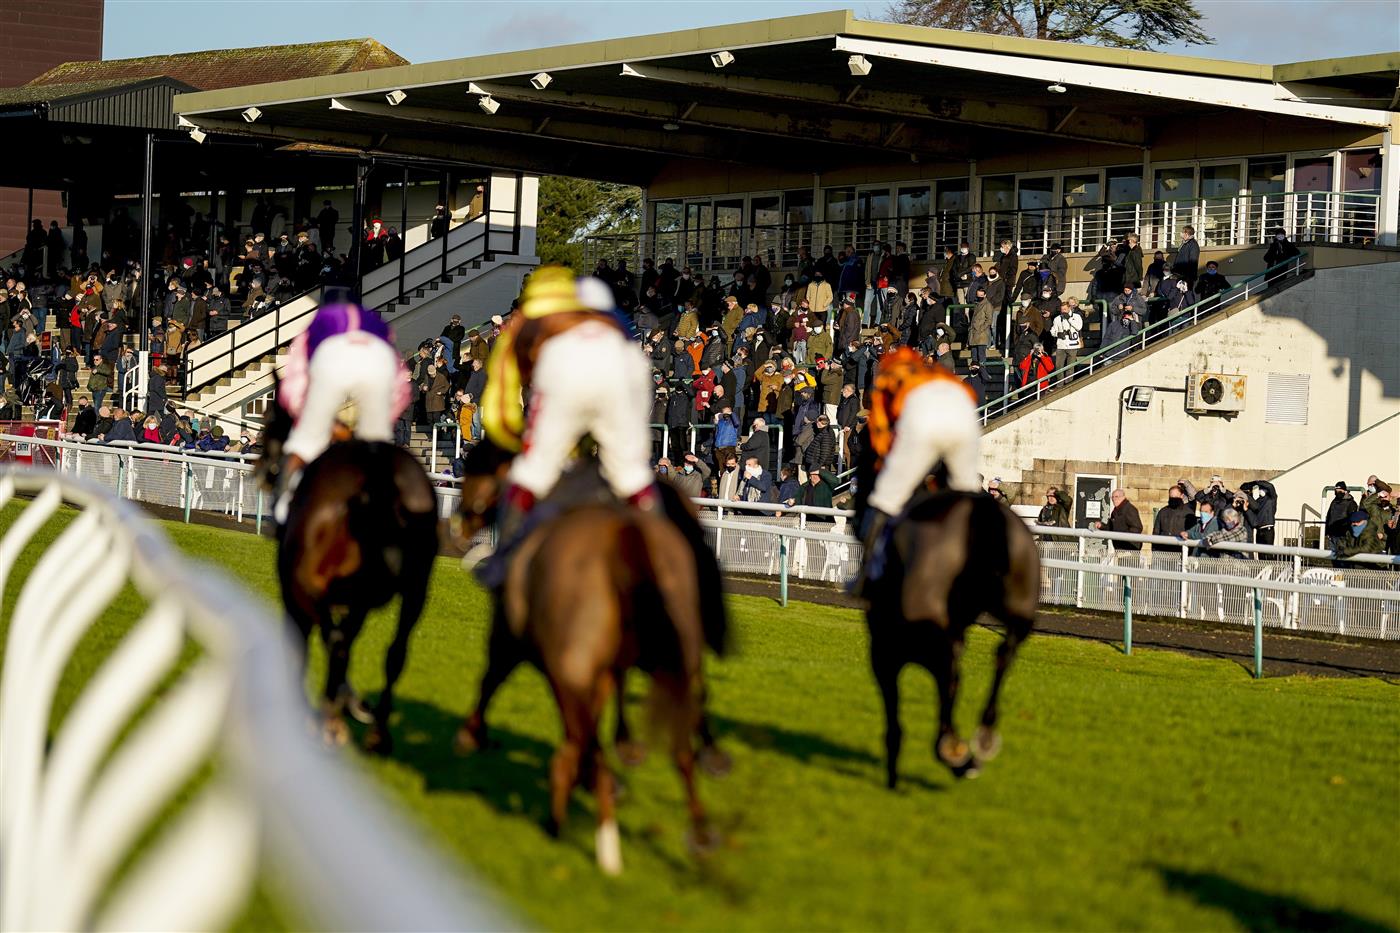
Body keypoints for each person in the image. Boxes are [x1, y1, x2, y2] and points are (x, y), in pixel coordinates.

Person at [475, 267, 659, 574]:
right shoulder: (621, 329)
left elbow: (519, 390)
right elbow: (640, 398)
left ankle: (503, 558)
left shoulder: (551, 328)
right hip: (622, 368)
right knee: (632, 476)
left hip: (563, 369)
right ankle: (656, 555)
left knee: (532, 472)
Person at [274, 302, 411, 522]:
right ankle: (384, 510)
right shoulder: (378, 324)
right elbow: (401, 389)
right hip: (379, 359)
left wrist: (307, 419)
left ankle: (285, 506)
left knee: (306, 439)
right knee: (376, 445)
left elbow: (294, 386)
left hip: (333, 357)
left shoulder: (315, 326)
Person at [855, 347, 981, 584]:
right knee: (968, 495)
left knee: (885, 498)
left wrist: (887, 464)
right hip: (964, 413)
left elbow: (880, 435)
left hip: (923, 419)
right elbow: (968, 396)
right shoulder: (936, 372)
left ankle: (866, 572)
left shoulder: (887, 378)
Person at [1236, 479, 1278, 546]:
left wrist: (1256, 482)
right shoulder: (1257, 501)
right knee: (1260, 553)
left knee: (1268, 554)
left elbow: (1270, 486)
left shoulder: (1271, 498)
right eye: (1260, 489)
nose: (1260, 490)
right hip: (1259, 530)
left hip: (1268, 530)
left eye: (1262, 488)